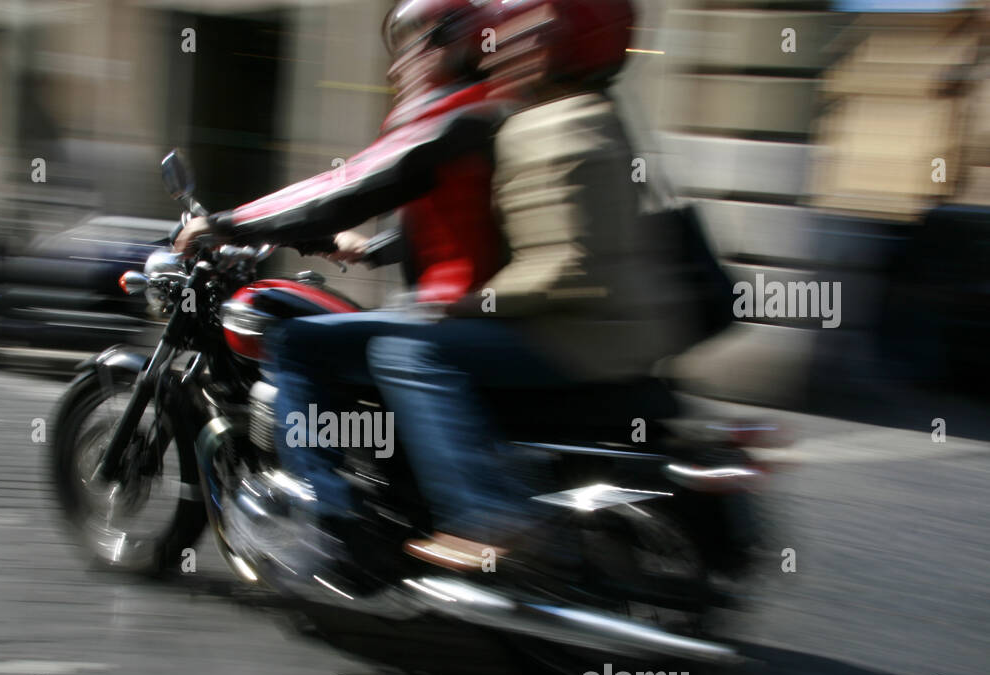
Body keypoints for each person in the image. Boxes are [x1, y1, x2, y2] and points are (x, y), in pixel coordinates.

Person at [174, 0, 510, 586]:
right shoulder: (484, 114)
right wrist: (370, 248)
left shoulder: (450, 116)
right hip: (468, 309)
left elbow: (342, 187)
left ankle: (331, 521)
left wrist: (226, 223)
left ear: (446, 41)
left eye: (408, 43)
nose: (395, 66)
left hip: (452, 315)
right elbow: (456, 218)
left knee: (300, 344)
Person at [365, 0, 697, 572]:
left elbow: (568, 268)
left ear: (568, 46)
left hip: (580, 337)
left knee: (405, 353)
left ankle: (487, 516)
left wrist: (469, 306)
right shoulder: (579, 114)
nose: (505, 50)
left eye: (529, 38)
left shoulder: (559, 124)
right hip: (607, 328)